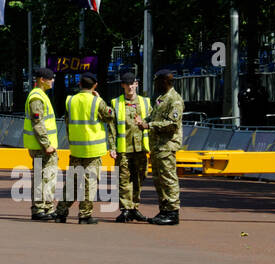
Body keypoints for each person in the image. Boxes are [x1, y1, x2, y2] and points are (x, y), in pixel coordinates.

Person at [55, 72, 115, 224]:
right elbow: (110, 115)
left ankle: (61, 212)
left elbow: (68, 123)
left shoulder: (71, 101)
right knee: (90, 183)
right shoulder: (96, 101)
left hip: (76, 149)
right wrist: (100, 98)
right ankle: (84, 215)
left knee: (72, 183)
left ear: (80, 85)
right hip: (93, 151)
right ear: (95, 85)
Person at [112, 70, 152, 222]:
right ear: (123, 85)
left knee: (140, 178)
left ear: (137, 84)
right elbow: (112, 127)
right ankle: (126, 209)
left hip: (141, 148)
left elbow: (151, 123)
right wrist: (112, 147)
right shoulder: (116, 103)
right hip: (124, 148)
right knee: (124, 180)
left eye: (132, 83)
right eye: (127, 84)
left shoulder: (146, 102)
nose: (130, 87)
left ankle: (134, 207)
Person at [146, 68, 185, 225]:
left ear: (164, 81)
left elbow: (172, 124)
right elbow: (155, 117)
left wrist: (150, 125)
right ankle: (164, 210)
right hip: (157, 146)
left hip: (166, 146)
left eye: (156, 81)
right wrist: (144, 120)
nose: (154, 84)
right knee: (159, 180)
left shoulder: (174, 100)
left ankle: (172, 212)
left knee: (168, 179)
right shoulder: (162, 98)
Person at [23, 68, 59, 221]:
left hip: (40, 146)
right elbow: (38, 123)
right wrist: (46, 144)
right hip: (42, 147)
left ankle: (44, 208)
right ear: (42, 80)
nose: (52, 81)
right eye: (50, 78)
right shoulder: (37, 98)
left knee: (44, 177)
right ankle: (41, 208)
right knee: (45, 177)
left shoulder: (39, 96)